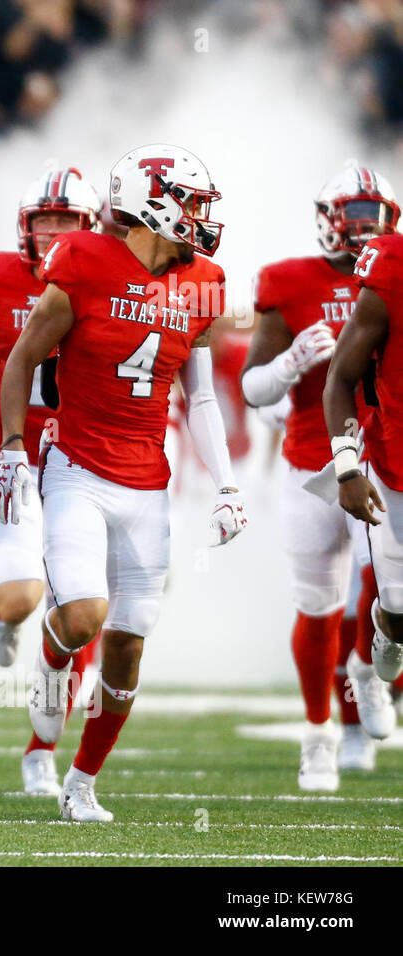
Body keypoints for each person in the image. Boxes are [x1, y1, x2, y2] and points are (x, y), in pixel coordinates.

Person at [0, 144, 246, 821]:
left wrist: (226, 487)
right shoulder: (82, 260)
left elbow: (197, 399)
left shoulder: (204, 280)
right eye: (189, 202)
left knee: (129, 643)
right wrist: (15, 447)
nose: (199, 217)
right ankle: (50, 663)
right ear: (151, 199)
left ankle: (81, 782)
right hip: (77, 466)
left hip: (148, 483)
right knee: (82, 618)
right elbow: (23, 358)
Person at [0, 165, 103, 795]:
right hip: (10, 455)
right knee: (20, 600)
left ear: (93, 228)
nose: (55, 231)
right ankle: (2, 623)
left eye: (67, 220)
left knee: (78, 606)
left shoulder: (114, 279)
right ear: (24, 227)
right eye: (45, 220)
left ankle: (42, 747)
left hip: (85, 459)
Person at [242, 165, 399, 787]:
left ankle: (366, 673)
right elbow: (255, 389)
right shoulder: (287, 281)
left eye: (375, 217)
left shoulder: (394, 271)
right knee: (318, 607)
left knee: (391, 595)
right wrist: (289, 364)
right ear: (327, 220)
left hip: (384, 458)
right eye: (353, 217)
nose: (365, 230)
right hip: (313, 462)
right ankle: (319, 734)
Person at [323, 222, 403, 708]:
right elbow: (340, 377)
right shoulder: (392, 271)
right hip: (396, 470)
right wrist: (348, 468)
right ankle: (384, 632)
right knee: (398, 610)